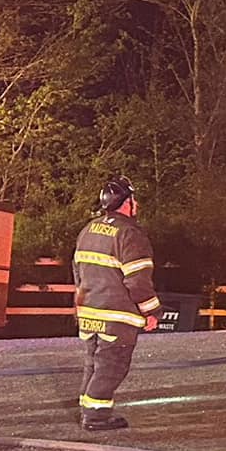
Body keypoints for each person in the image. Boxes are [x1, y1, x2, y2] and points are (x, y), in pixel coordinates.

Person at [71, 176, 160, 432]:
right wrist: (151, 311)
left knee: (94, 363)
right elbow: (138, 280)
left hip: (89, 311)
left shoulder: (88, 230)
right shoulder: (130, 234)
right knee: (112, 366)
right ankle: (96, 417)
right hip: (116, 315)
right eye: (134, 199)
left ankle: (88, 410)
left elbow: (78, 271)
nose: (137, 204)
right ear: (126, 202)